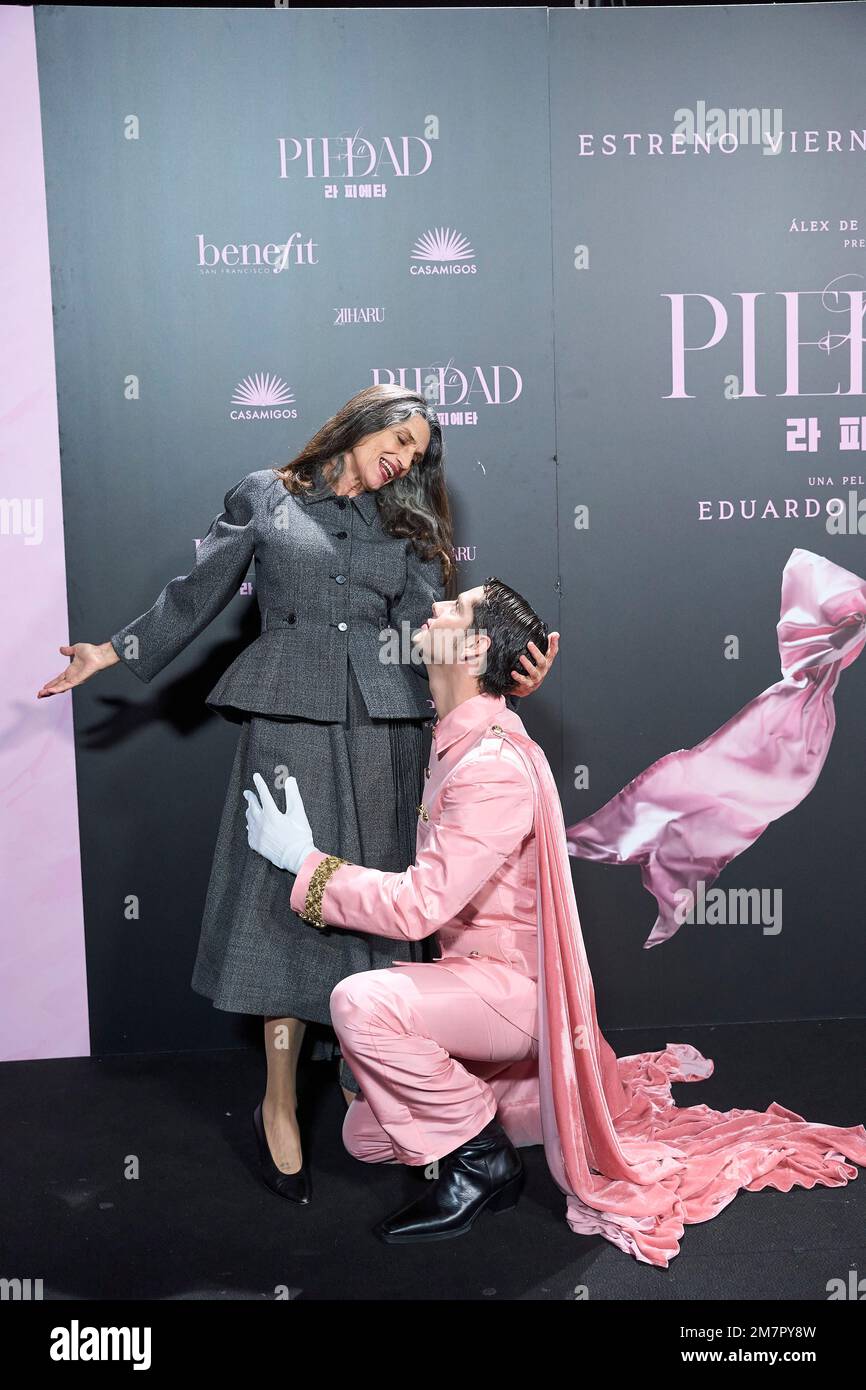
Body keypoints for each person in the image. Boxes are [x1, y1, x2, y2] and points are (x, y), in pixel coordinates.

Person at [36, 385, 559, 1206]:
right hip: (288, 721)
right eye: (399, 439)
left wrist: (513, 674)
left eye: (417, 455)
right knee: (286, 901)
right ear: (360, 424)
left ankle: (381, 1085)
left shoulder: (409, 526)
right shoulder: (268, 496)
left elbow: (445, 639)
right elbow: (195, 592)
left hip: (389, 730)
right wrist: (112, 651)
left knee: (377, 891)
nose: (403, 460)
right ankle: (277, 1099)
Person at [245, 576, 866, 1264]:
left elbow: (421, 905)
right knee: (365, 1136)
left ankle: (483, 1165)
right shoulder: (457, 739)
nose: (431, 609)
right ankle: (496, 1121)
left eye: (449, 608)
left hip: (512, 995)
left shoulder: (490, 766)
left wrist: (304, 863)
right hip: (470, 983)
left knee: (359, 1002)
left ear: (473, 643)